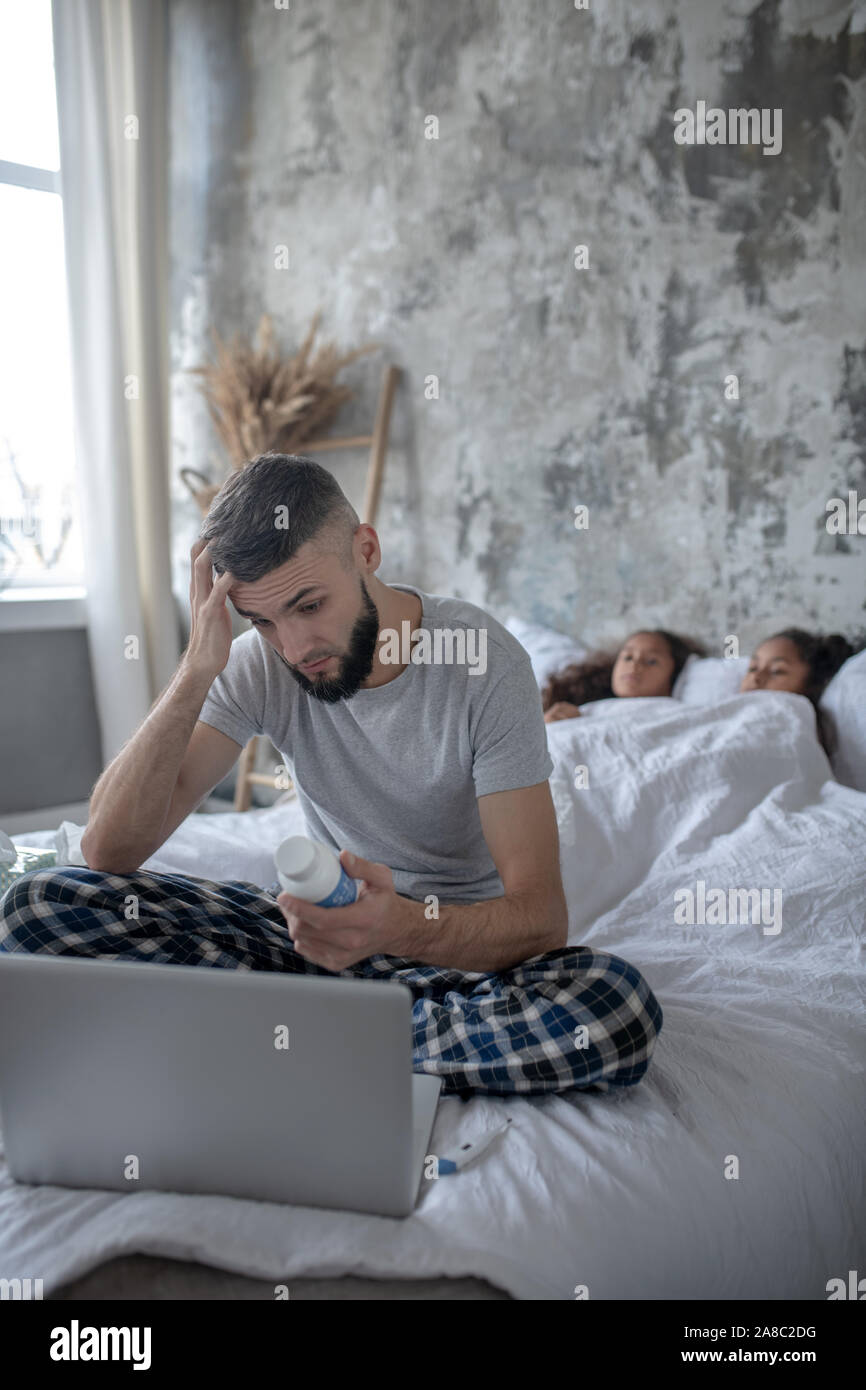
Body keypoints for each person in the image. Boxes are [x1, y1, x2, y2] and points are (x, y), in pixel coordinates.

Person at [0, 454, 662, 1099]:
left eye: (310, 605)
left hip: (461, 965)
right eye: (262, 621)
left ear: (366, 550)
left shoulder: (483, 663)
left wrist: (395, 927)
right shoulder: (260, 664)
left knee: (613, 1008)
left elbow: (542, 918)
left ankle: (284, 1035)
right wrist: (197, 670)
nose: (295, 649)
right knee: (42, 904)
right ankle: (345, 1041)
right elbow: (108, 851)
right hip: (317, 948)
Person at [543, 630, 705, 723]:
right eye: (628, 657)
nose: (634, 665)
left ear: (674, 673)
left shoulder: (681, 716)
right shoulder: (586, 711)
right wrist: (549, 726)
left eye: (651, 661)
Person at [740, 628, 856, 754]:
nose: (756, 677)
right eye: (753, 668)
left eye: (777, 671)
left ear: (811, 684)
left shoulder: (797, 722)